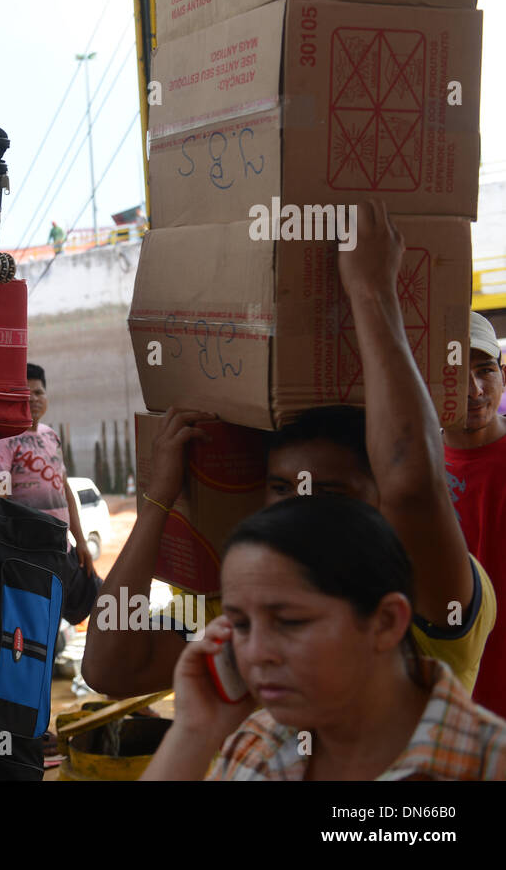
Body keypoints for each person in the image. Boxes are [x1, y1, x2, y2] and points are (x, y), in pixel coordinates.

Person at [84, 201, 495, 696]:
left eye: (331, 492)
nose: (301, 508)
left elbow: (412, 485)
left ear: (381, 501)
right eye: (282, 487)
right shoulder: (253, 613)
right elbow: (109, 668)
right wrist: (155, 502)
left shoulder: (422, 597)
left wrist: (372, 289)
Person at [141, 495, 506, 780]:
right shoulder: (260, 744)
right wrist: (193, 732)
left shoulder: (487, 764)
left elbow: (413, 483)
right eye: (241, 624)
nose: (255, 654)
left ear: (386, 622)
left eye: (290, 622)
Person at [0, 362, 100, 626]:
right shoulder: (0, 438)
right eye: (26, 393)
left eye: (39, 392)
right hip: (30, 553)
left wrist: (80, 541)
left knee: (98, 600)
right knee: (37, 628)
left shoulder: (51, 436)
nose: (33, 398)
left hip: (62, 547)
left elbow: (64, 489)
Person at [444, 312, 506, 718]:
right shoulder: (410, 464)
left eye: (485, 370)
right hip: (452, 694)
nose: (473, 390)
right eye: (453, 374)